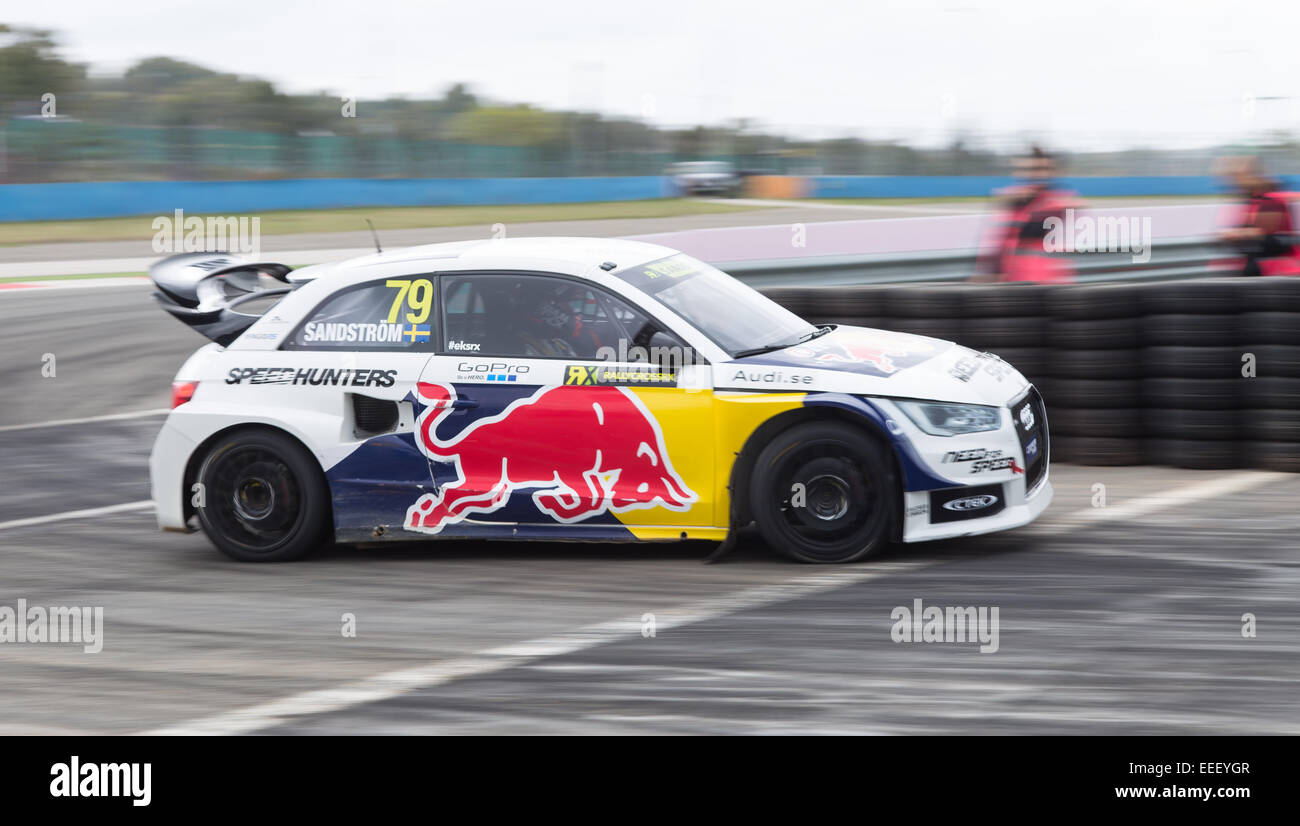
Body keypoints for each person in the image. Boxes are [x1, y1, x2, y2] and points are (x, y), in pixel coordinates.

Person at [973, 146, 1078, 283]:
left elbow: (1033, 227)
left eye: (1043, 170)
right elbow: (1000, 241)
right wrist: (991, 271)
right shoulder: (1016, 202)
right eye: (1032, 170)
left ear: (1053, 172)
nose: (1038, 176)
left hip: (1046, 281)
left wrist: (1008, 200)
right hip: (1015, 279)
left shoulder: (1056, 200)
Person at [1215, 156, 1300, 277]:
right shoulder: (1251, 199)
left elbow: (1267, 233)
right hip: (1260, 268)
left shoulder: (1271, 199)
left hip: (1279, 271)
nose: (1235, 181)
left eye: (1239, 176)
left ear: (1253, 175)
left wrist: (1240, 233)